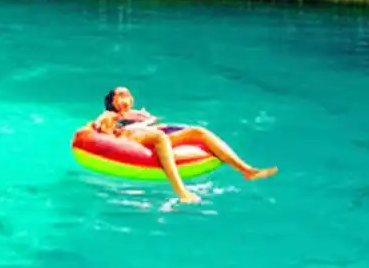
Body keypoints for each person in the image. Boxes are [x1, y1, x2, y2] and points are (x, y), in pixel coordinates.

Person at [91, 86, 277, 203]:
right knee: (160, 137)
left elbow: (156, 121)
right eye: (121, 95)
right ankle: (181, 192)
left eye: (128, 95)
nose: (126, 98)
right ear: (112, 101)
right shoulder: (109, 116)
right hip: (131, 140)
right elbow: (105, 132)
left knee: (199, 132)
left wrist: (146, 120)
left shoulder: (134, 115)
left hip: (145, 135)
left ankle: (246, 170)